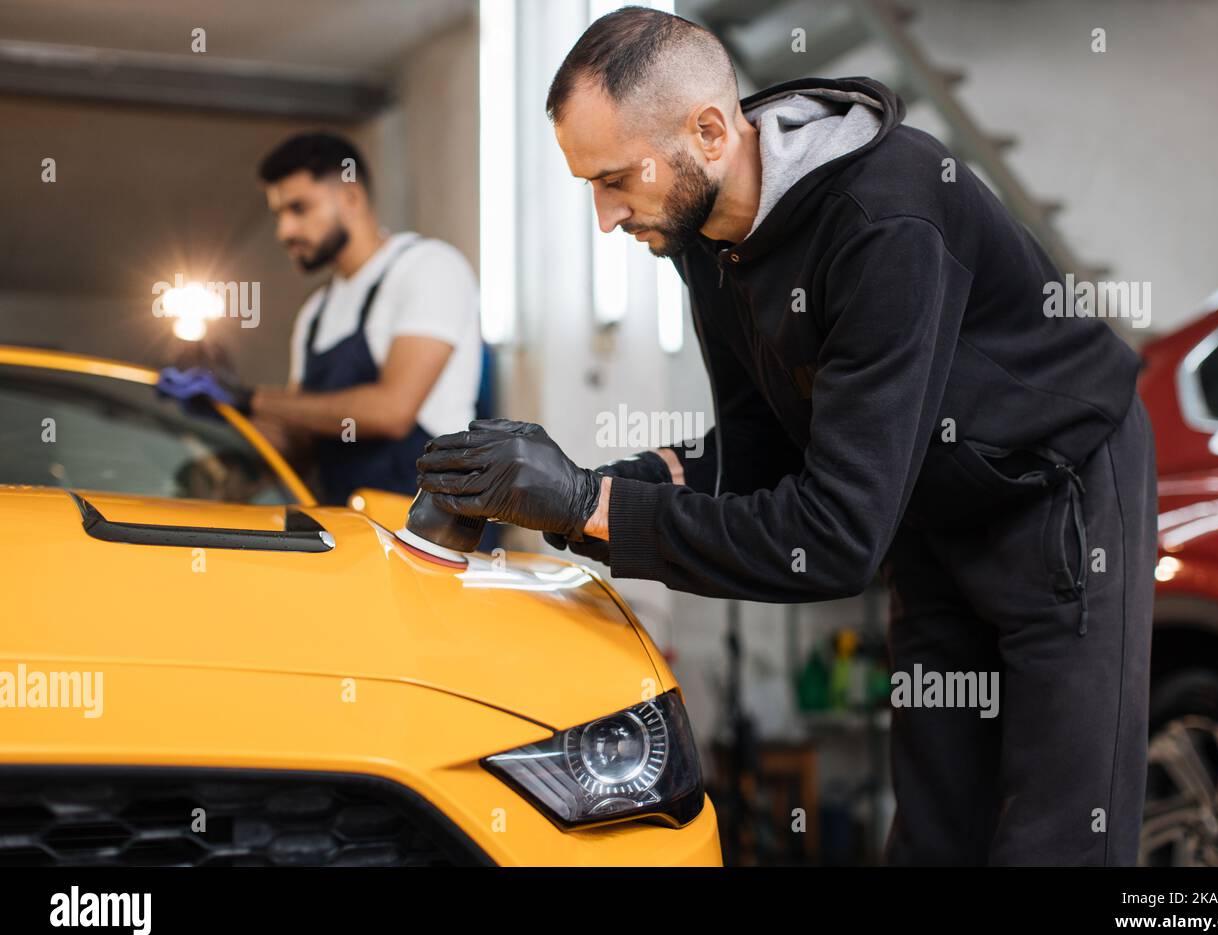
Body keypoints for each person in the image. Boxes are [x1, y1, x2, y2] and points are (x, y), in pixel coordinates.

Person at [415, 7, 1157, 865]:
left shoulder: (887, 219)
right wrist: (565, 489)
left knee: (1058, 838)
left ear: (708, 131)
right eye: (590, 185)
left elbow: (833, 540)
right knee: (934, 831)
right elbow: (759, 450)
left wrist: (591, 505)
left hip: (1055, 494)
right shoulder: (703, 238)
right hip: (920, 504)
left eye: (616, 179)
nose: (606, 218)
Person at [162, 132, 481, 505]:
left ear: (351, 198)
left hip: (435, 534)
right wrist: (223, 417)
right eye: (278, 215)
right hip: (349, 535)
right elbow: (298, 442)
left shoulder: (428, 268)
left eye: (299, 209)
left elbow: (391, 412)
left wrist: (249, 397)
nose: (285, 232)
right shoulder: (316, 313)